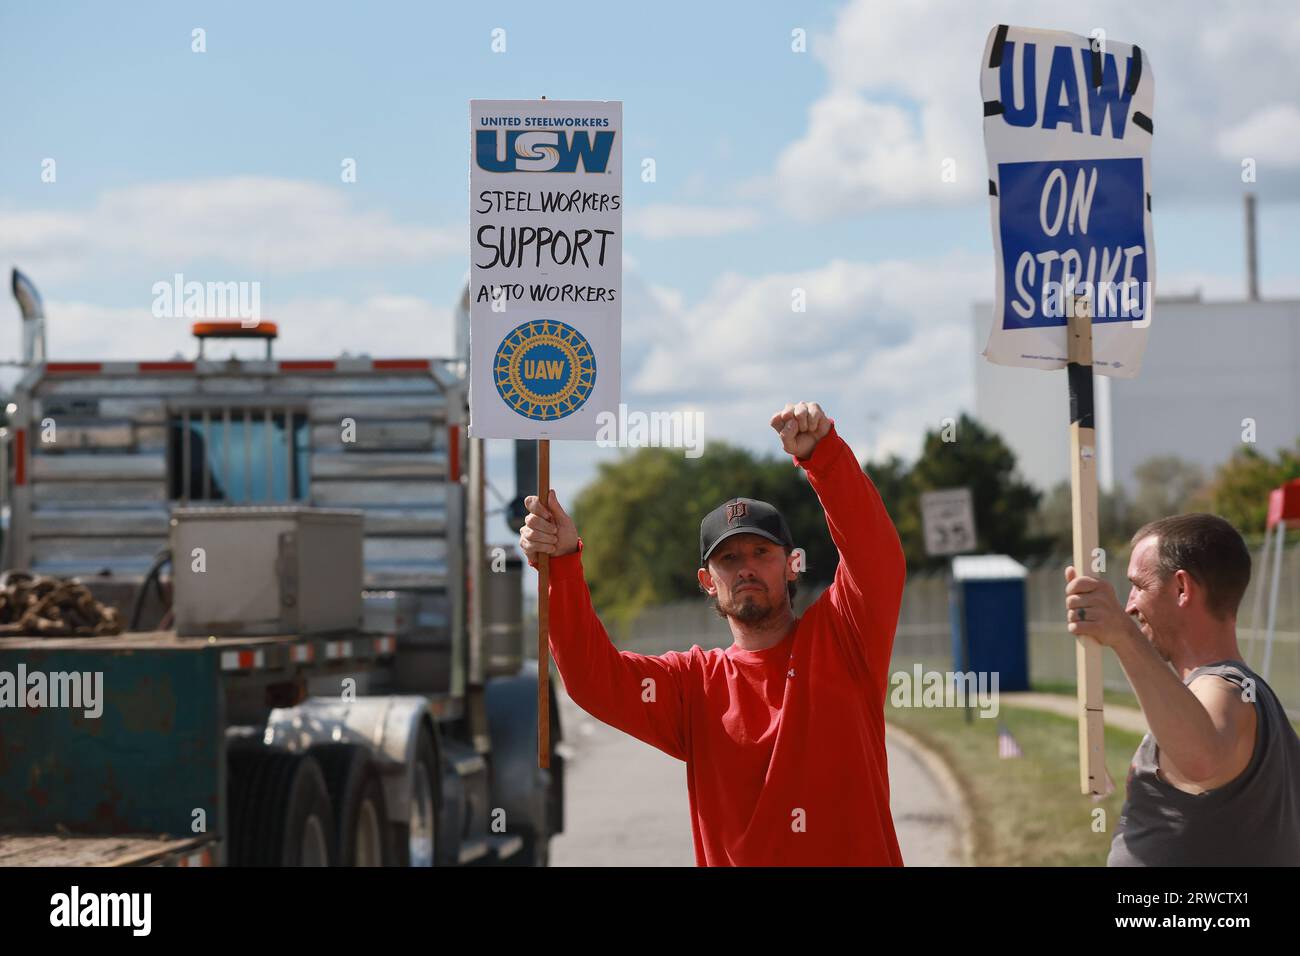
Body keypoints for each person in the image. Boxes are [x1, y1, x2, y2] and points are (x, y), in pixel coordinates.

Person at [519, 401, 907, 866]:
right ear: (707, 581)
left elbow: (876, 557)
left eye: (762, 552)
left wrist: (825, 457)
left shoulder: (843, 637)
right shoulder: (693, 685)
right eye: (728, 559)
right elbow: (592, 678)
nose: (746, 567)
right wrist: (561, 564)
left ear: (791, 565)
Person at [1065, 513, 1300, 865]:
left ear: (1181, 589)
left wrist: (1122, 636)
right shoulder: (1244, 691)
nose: (1128, 606)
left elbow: (1204, 757)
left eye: (1139, 586)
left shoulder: (1225, 689)